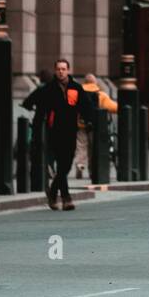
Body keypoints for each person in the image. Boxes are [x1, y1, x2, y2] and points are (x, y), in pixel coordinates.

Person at [35, 59, 94, 210]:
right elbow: (40, 108)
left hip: (70, 131)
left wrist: (89, 120)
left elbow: (86, 106)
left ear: (68, 70)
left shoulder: (76, 87)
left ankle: (53, 192)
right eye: (58, 69)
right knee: (61, 164)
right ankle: (66, 198)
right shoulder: (49, 89)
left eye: (64, 69)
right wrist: (38, 125)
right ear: (55, 71)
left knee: (66, 165)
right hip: (54, 131)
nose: (61, 71)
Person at [75, 74, 118, 179]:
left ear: (84, 83)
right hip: (95, 126)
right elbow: (113, 107)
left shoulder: (77, 94)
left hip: (81, 124)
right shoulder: (101, 95)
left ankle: (80, 165)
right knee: (93, 149)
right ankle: (92, 171)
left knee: (81, 146)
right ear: (96, 83)